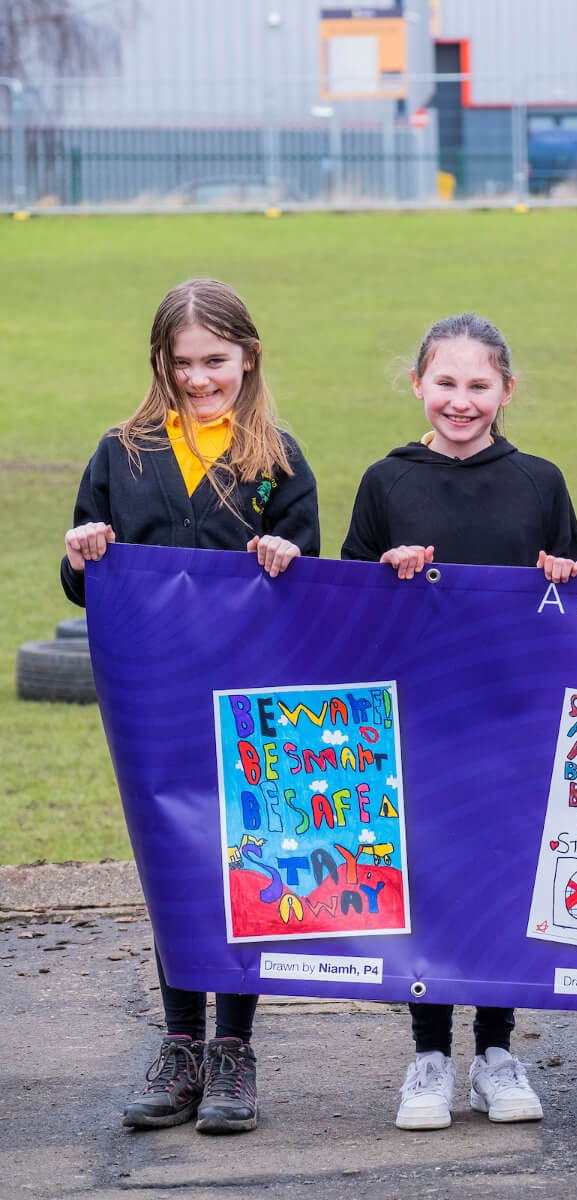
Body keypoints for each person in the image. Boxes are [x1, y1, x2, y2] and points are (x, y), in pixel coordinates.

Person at [63, 278, 320, 1134]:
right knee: (176, 864)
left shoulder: (279, 459)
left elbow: (317, 589)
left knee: (246, 864)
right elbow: (82, 583)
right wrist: (84, 551)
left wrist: (291, 557)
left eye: (218, 361)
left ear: (249, 357)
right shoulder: (120, 455)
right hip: (157, 704)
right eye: (185, 364)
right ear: (161, 365)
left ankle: (233, 1052)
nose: (202, 378)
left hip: (252, 704)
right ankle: (180, 1045)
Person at [342, 313, 577, 1130]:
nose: (461, 400)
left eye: (479, 385)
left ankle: (495, 1052)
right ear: (418, 384)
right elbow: (341, 601)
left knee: (503, 883)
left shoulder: (540, 480)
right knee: (432, 884)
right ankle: (429, 1058)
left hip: (514, 721)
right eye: (445, 382)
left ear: (506, 392)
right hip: (419, 724)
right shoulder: (387, 480)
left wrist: (563, 570)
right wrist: (386, 573)